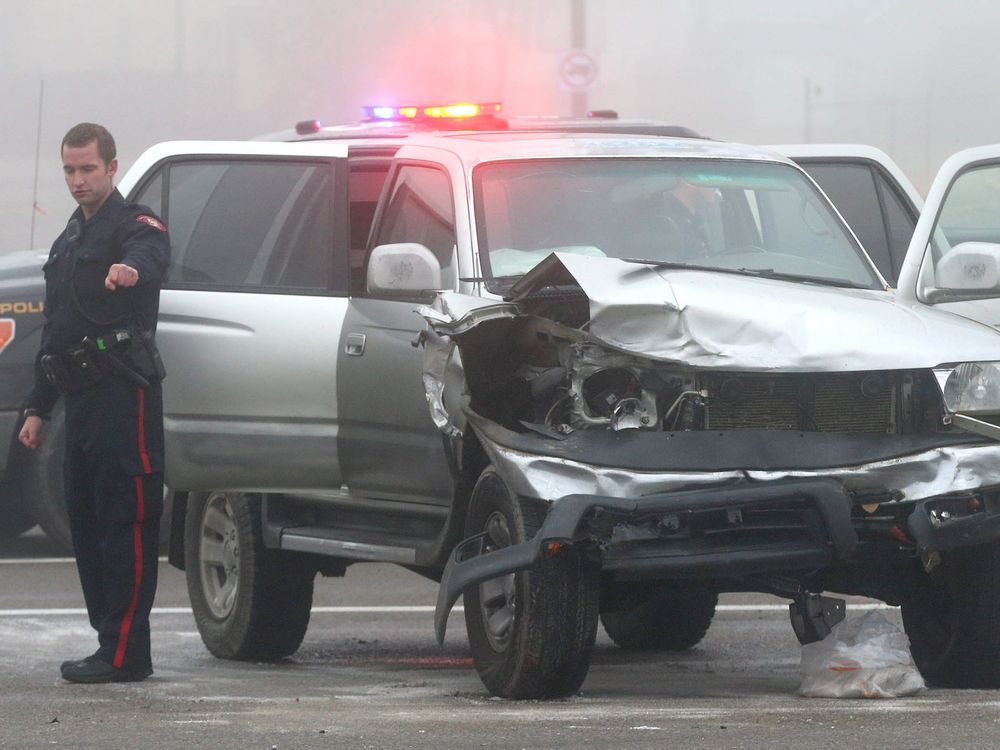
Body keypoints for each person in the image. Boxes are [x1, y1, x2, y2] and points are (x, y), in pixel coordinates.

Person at [18, 123, 170, 683]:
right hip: (78, 400)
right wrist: (37, 406)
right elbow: (56, 329)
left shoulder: (134, 226)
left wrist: (133, 270)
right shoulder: (70, 240)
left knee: (124, 522)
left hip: (122, 395)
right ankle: (111, 643)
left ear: (111, 167)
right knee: (84, 522)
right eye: (69, 170)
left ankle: (128, 653)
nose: (78, 180)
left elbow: (152, 253)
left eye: (87, 169)